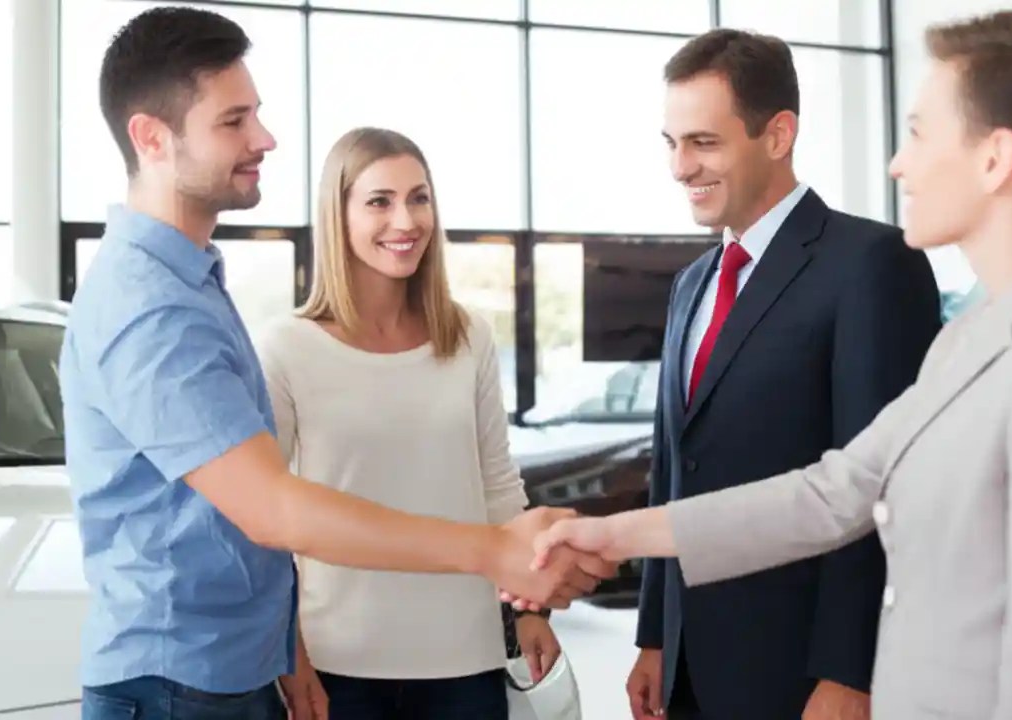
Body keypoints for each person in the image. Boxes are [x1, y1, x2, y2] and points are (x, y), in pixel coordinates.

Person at [525, 10, 1012, 720]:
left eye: (920, 131)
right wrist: (607, 536)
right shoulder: (975, 339)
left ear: (995, 158)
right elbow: (833, 494)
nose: (899, 162)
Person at [61, 8, 611, 720]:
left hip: (226, 674)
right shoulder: (151, 308)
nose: (264, 138)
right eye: (233, 122)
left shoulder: (191, 283)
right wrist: (491, 551)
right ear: (152, 138)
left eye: (255, 114)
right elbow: (274, 508)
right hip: (179, 687)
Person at [613, 27, 942, 720]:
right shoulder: (692, 284)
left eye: (703, 142)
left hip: (800, 671)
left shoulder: (871, 264)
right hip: (689, 665)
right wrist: (653, 635)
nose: (679, 167)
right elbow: (672, 471)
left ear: (778, 133)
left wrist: (852, 670)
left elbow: (883, 488)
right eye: (670, 143)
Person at [254, 126, 561, 719]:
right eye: (379, 201)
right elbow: (265, 521)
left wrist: (528, 608)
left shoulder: (468, 335)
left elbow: (498, 485)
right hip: (338, 663)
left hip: (464, 661)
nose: (406, 220)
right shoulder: (286, 347)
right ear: (337, 215)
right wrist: (290, 654)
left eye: (419, 198)